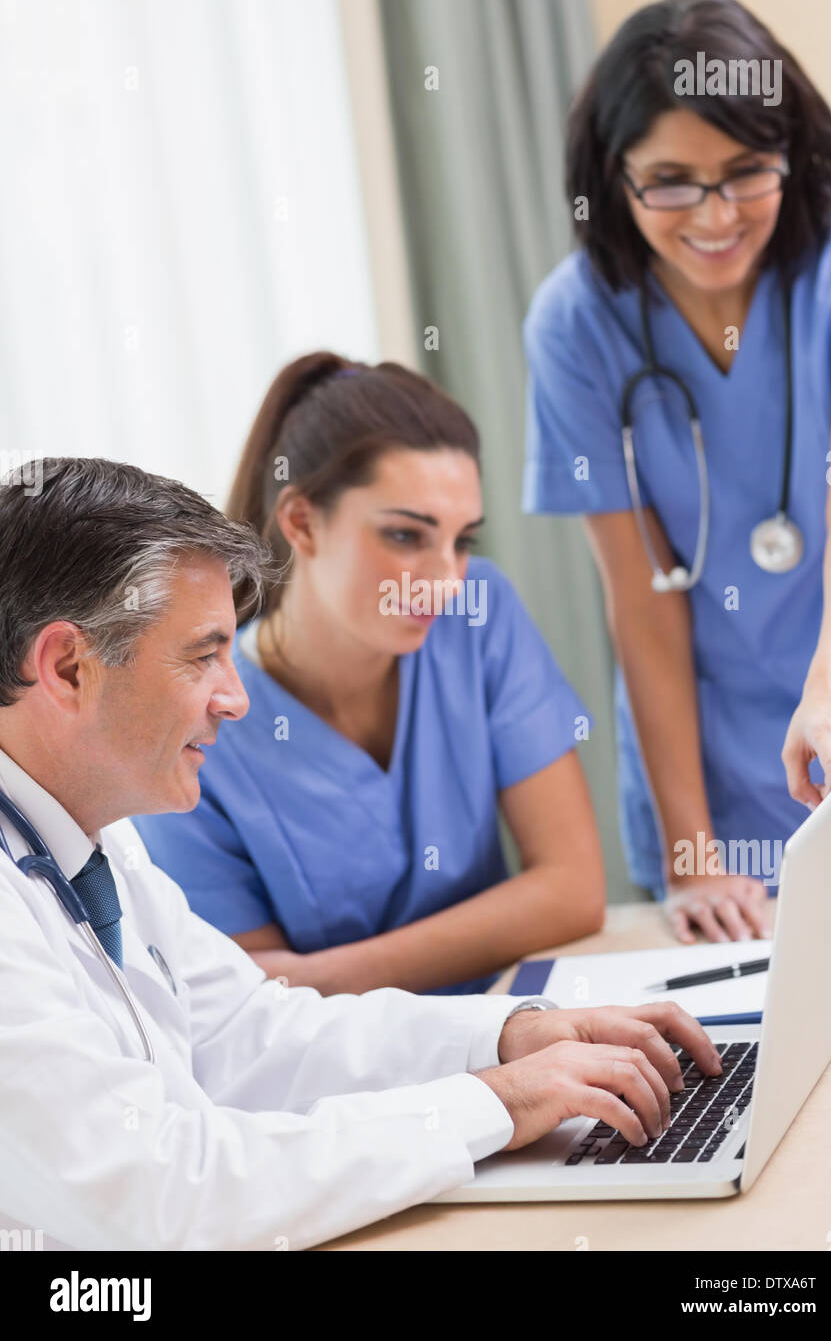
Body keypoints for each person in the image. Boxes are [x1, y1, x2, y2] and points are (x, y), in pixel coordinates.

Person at [0, 457, 722, 1250]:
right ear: (68, 668)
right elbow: (155, 1195)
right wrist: (496, 1104)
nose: (235, 698)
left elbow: (256, 1037)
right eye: (201, 656)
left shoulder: (97, 844)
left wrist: (509, 1038)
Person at [522, 0, 831, 944]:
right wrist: (692, 850)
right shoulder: (576, 326)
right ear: (613, 178)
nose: (716, 216)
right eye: (670, 181)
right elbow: (642, 599)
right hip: (709, 781)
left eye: (746, 172)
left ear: (793, 158)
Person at [133, 354, 605, 996]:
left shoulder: (479, 614)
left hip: (513, 1028)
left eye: (462, 540)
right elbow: (241, 1006)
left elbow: (574, 890)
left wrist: (316, 977)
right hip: (343, 1082)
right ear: (301, 521)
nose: (446, 580)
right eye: (406, 536)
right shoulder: (195, 711)